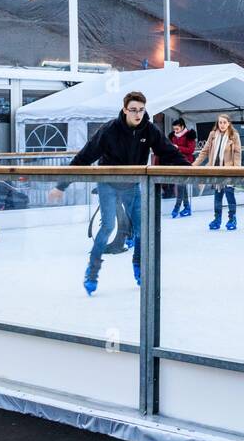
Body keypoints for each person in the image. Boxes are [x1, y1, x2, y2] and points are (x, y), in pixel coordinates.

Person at [48, 91, 187, 295]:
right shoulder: (110, 130)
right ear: (125, 110)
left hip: (132, 186)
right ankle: (92, 271)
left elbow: (169, 152)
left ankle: (139, 268)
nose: (138, 114)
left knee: (142, 229)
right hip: (108, 185)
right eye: (133, 110)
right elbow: (84, 157)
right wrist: (61, 186)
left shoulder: (149, 130)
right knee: (107, 226)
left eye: (141, 110)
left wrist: (192, 172)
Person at [193, 114, 242, 230]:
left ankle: (232, 219)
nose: (222, 125)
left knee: (230, 195)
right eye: (220, 122)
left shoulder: (234, 136)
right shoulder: (213, 135)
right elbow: (204, 151)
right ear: (217, 123)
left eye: (224, 122)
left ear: (229, 123)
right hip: (215, 170)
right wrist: (194, 165)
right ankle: (217, 219)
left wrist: (237, 170)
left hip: (229, 171)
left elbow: (237, 154)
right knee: (217, 196)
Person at [167, 118, 197, 218]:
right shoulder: (173, 136)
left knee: (180, 184)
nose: (175, 131)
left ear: (182, 127)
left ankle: (177, 206)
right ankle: (187, 207)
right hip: (176, 163)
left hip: (186, 163)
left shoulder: (189, 135)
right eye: (174, 129)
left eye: (177, 129)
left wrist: (178, 148)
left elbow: (191, 150)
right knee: (181, 185)